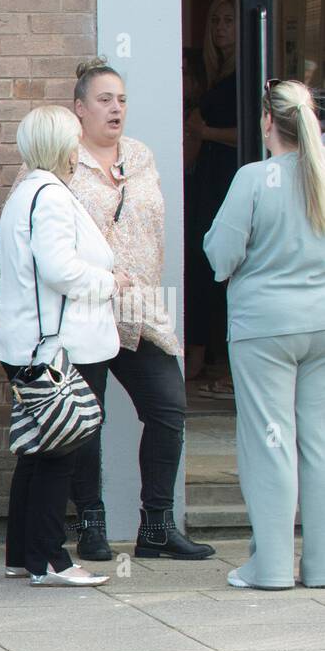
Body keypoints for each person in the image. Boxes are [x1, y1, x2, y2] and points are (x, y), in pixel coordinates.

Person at [64, 58, 214, 562]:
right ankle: (90, 523)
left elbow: (152, 228)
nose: (116, 108)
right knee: (88, 418)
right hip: (85, 308)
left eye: (122, 99)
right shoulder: (59, 161)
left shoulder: (141, 156)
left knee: (168, 408)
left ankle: (157, 526)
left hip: (139, 307)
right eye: (105, 99)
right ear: (80, 109)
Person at [204, 80, 325, 590]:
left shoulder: (253, 179)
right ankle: (319, 567)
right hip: (319, 322)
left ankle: (272, 566)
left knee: (270, 443)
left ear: (267, 122)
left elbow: (220, 255)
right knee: (317, 444)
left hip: (263, 328)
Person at [0, 105, 119, 586]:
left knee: (36, 447)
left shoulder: (27, 192)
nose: (79, 150)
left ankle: (22, 554)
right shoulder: (50, 195)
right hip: (59, 350)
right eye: (75, 142)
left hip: (29, 343)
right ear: (62, 147)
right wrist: (110, 281)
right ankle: (50, 560)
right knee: (59, 451)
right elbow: (60, 269)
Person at [185, 0, 239, 389]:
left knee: (220, 259)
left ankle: (217, 357)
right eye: (216, 21)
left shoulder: (247, 72)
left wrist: (206, 132)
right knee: (202, 253)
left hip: (230, 174)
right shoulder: (217, 72)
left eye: (228, 20)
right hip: (209, 173)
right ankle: (202, 353)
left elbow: (249, 134)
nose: (221, 28)